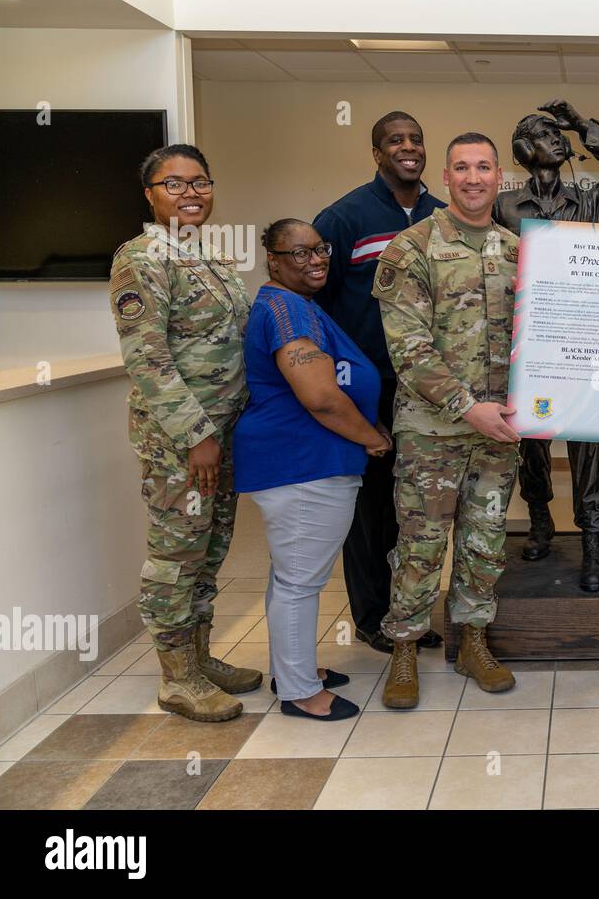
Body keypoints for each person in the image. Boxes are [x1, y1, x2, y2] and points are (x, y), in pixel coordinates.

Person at [109, 143, 261, 722]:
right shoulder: (142, 258)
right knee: (176, 556)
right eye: (174, 184)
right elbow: (147, 360)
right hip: (182, 443)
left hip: (221, 437)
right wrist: (196, 434)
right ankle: (176, 679)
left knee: (210, 549)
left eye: (199, 182)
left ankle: (199, 659)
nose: (190, 193)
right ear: (149, 195)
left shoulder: (208, 257)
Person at [372, 132, 522, 706]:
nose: (474, 178)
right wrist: (466, 407)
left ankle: (472, 643)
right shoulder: (411, 248)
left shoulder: (517, 250)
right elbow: (407, 347)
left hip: (500, 430)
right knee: (421, 542)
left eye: (484, 167)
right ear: (446, 174)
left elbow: (543, 335)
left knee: (484, 540)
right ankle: (405, 649)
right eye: (462, 168)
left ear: (499, 175)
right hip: (433, 430)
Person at [233, 219, 393, 721]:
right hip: (302, 463)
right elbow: (321, 398)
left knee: (292, 575)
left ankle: (294, 668)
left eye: (319, 250)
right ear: (273, 260)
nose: (315, 260)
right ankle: (301, 692)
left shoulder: (294, 306)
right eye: (298, 254)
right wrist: (374, 439)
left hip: (307, 463)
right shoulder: (287, 312)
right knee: (301, 580)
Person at [494, 99, 599, 591]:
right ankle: (540, 520)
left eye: (559, 134)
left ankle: (594, 543)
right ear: (523, 149)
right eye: (544, 133)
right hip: (528, 348)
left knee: (589, 449)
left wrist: (582, 124)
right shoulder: (504, 208)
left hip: (583, 347)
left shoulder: (588, 202)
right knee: (531, 447)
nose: (556, 139)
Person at [313, 111, 447, 654]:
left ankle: (409, 610)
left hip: (431, 388)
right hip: (369, 389)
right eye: (396, 140)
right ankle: (372, 615)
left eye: (416, 139)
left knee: (418, 507)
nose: (408, 148)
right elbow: (312, 299)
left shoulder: (444, 216)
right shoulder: (345, 217)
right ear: (377, 154)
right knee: (370, 507)